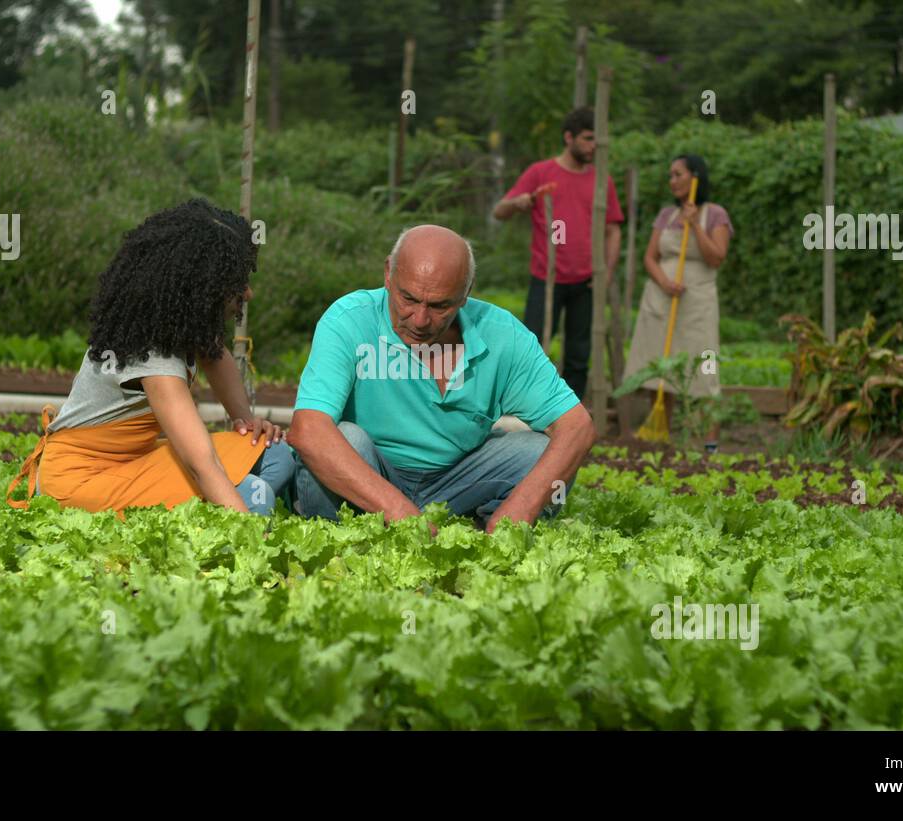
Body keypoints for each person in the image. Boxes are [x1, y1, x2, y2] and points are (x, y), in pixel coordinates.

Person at [288, 224, 596, 533]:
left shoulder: (502, 335)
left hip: (456, 481)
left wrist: (523, 506)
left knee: (539, 453)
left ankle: (488, 535)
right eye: (407, 299)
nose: (420, 320)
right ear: (387, 274)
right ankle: (344, 536)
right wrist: (396, 508)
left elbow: (577, 427)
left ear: (466, 292)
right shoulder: (349, 319)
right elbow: (308, 430)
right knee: (346, 438)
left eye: (439, 306)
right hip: (371, 473)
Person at [6, 198, 295, 517]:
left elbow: (216, 355)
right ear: (202, 288)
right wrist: (250, 537)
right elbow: (201, 465)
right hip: (80, 481)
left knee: (276, 452)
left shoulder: (177, 321)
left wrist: (246, 421)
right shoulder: (154, 356)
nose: (248, 293)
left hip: (132, 461)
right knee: (254, 496)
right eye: (237, 283)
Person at [492, 107, 623, 399]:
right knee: (533, 347)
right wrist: (519, 203)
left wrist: (607, 271)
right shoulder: (541, 172)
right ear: (568, 137)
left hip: (586, 281)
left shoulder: (602, 180)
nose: (593, 146)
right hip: (546, 278)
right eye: (588, 139)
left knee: (579, 353)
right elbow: (500, 211)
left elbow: (614, 229)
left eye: (596, 141)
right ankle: (528, 408)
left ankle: (571, 415)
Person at [623, 154, 732, 451]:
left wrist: (695, 225)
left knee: (705, 367)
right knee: (664, 365)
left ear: (695, 177)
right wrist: (664, 281)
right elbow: (650, 257)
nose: (672, 181)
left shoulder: (715, 215)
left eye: (678, 174)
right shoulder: (665, 216)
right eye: (670, 175)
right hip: (661, 299)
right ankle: (664, 437)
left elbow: (716, 257)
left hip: (697, 305)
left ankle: (710, 441)